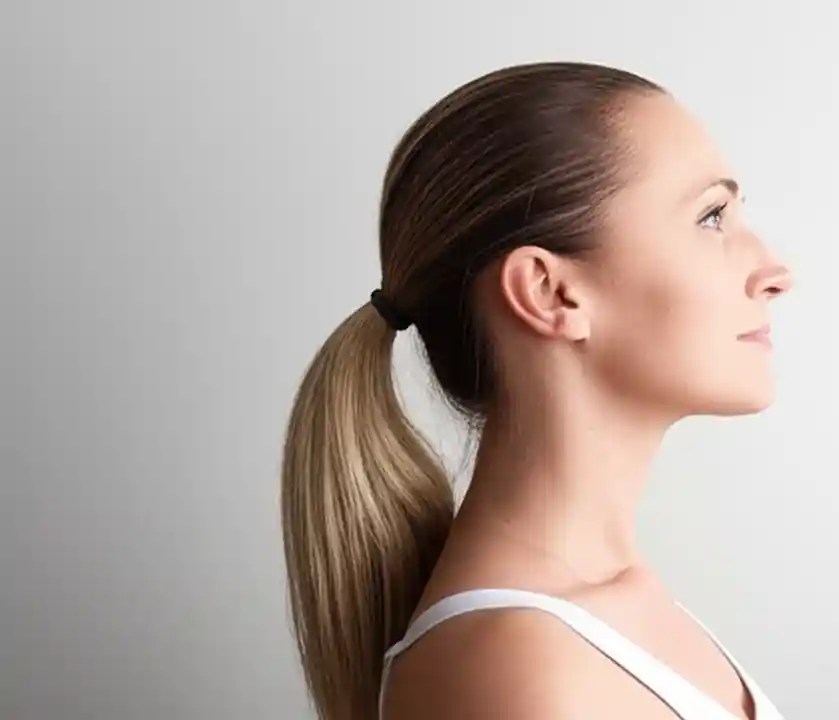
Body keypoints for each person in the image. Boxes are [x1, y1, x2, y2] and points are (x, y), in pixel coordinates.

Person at [280, 60, 794, 720]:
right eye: (711, 217)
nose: (775, 272)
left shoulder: (608, 614)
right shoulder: (519, 672)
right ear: (550, 293)